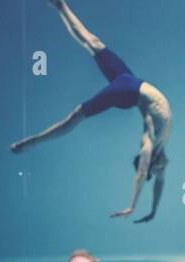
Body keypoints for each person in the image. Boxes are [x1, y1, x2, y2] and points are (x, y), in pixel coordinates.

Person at [11, 0, 172, 223]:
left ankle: (34, 141)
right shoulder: (158, 147)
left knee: (76, 115)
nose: (163, 168)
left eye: (158, 168)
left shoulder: (150, 142)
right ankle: (60, 5)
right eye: (160, 168)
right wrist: (153, 211)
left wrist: (133, 206)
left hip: (127, 91)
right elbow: (157, 180)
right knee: (93, 42)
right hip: (132, 84)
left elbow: (143, 174)